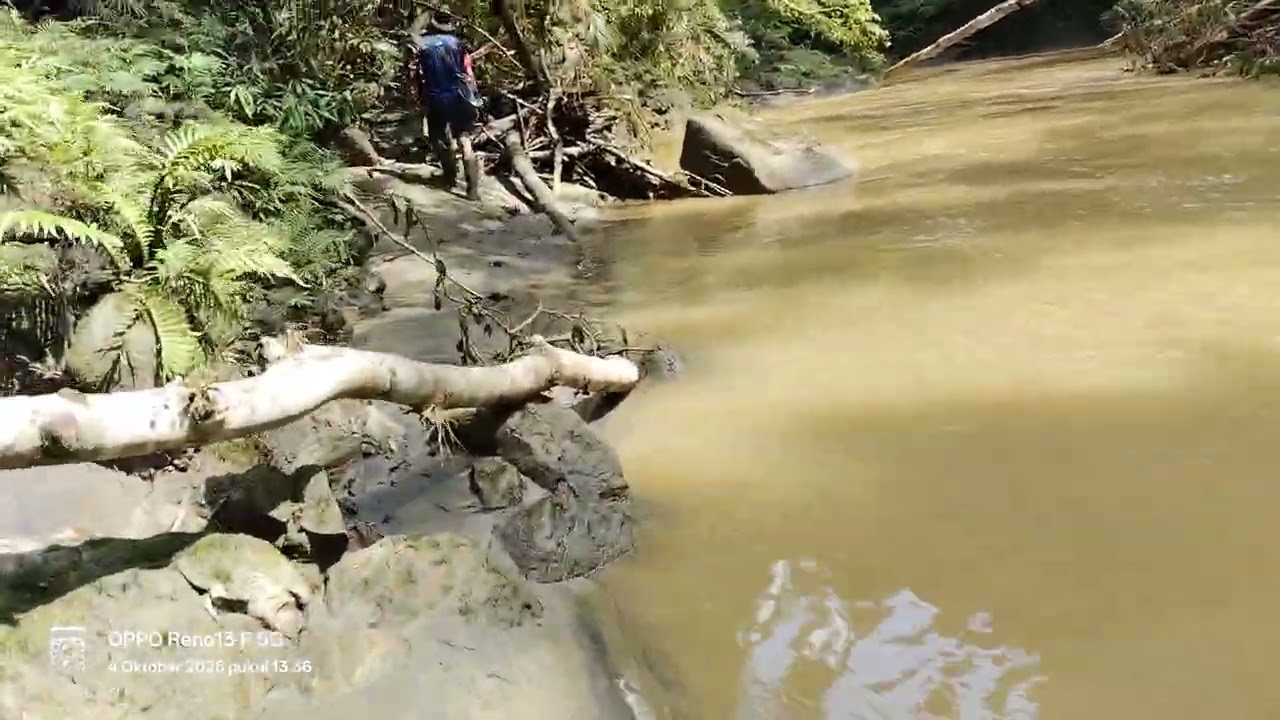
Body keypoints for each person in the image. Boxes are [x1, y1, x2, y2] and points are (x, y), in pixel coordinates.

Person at [413, 12, 484, 200]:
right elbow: (468, 73)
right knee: (464, 138)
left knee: (438, 137)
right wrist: (475, 96)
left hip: (435, 96)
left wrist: (417, 97)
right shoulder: (458, 45)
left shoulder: (423, 45)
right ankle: (472, 190)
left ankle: (450, 177)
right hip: (460, 95)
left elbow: (416, 74)